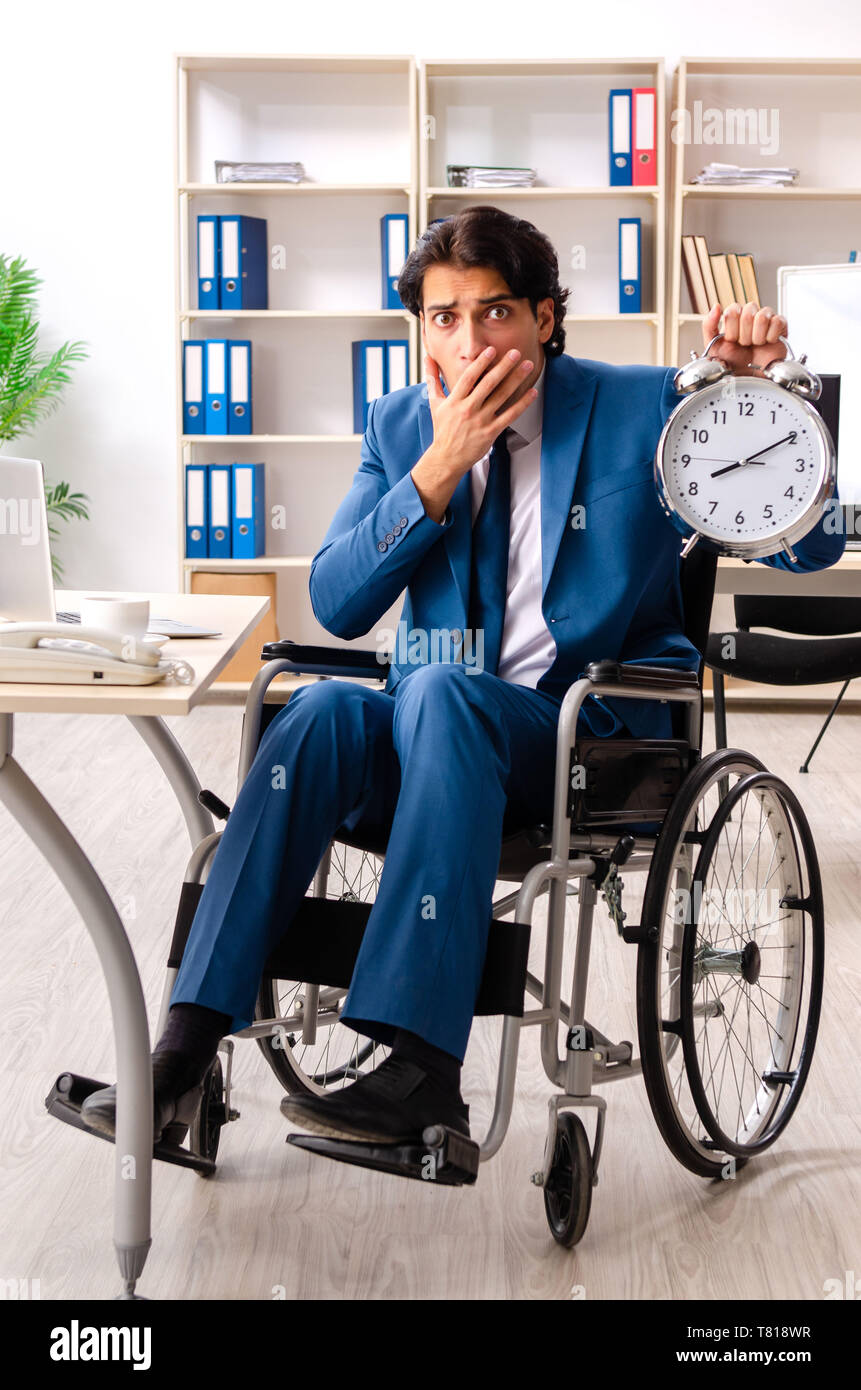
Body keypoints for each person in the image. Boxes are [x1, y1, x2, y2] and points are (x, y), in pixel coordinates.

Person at [81, 205, 845, 1154]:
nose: (469, 341)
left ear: (544, 319)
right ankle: (180, 1061)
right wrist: (435, 475)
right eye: (443, 318)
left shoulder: (649, 407)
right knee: (319, 708)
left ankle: (423, 1076)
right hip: (433, 739)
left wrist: (773, 399)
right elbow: (336, 601)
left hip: (587, 738)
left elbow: (810, 548)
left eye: (494, 314)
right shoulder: (400, 424)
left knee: (441, 694)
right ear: (421, 331)